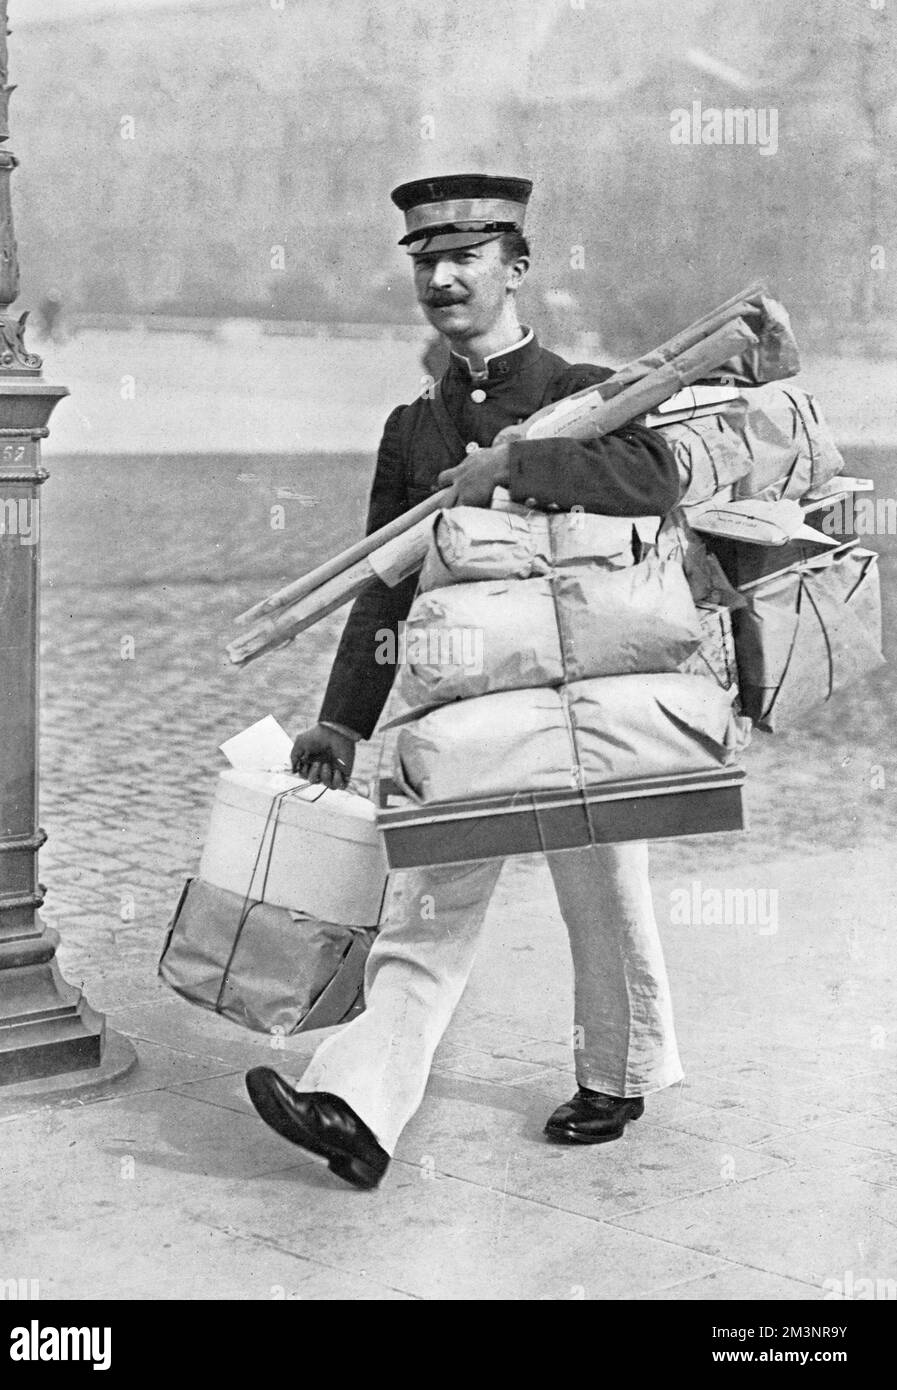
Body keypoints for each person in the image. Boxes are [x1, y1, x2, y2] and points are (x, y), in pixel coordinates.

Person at [246, 173, 683, 1190]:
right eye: (426, 264)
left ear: (515, 268)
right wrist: (341, 721)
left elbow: (654, 481)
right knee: (426, 905)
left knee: (604, 894)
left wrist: (517, 466)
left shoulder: (588, 392)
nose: (442, 280)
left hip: (583, 696)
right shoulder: (412, 429)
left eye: (465, 259)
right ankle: (358, 1109)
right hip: (465, 707)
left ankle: (617, 1073)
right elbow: (382, 585)